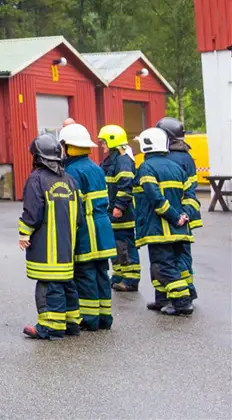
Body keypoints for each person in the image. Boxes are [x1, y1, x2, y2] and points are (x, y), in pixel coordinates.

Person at [19, 134, 79, 339]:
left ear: (37, 157)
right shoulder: (69, 180)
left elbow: (32, 212)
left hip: (45, 246)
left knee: (48, 285)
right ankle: (71, 323)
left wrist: (24, 233)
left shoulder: (36, 179)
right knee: (66, 283)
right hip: (67, 246)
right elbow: (78, 215)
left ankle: (50, 326)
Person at [60, 124, 116, 331]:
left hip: (86, 229)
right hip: (102, 227)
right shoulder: (95, 167)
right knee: (101, 272)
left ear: (67, 147)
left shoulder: (71, 171)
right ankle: (104, 317)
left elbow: (73, 207)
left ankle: (89, 319)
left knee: (85, 274)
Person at [133, 127, 193, 315]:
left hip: (158, 228)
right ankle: (163, 299)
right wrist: (184, 215)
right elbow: (190, 196)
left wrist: (175, 217)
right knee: (172, 264)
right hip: (180, 228)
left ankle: (182, 302)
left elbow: (155, 198)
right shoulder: (176, 167)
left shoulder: (146, 167)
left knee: (163, 266)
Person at [156, 117, 202, 300]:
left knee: (169, 256)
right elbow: (192, 187)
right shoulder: (186, 155)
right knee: (183, 254)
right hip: (186, 212)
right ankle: (188, 289)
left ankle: (177, 295)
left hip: (169, 214)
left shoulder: (166, 157)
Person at [98, 125, 140, 292]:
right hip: (113, 211)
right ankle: (118, 275)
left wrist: (120, 206)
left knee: (126, 245)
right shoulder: (112, 159)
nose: (102, 145)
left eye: (103, 142)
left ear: (112, 141)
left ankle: (131, 279)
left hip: (123, 213)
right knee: (116, 245)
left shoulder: (122, 160)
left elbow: (126, 185)